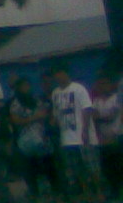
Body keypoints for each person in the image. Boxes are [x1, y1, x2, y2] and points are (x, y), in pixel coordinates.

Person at [51, 66, 102, 202]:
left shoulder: (79, 88)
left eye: (60, 73)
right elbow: (56, 114)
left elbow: (87, 109)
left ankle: (99, 192)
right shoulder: (55, 93)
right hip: (66, 138)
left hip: (83, 137)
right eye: (56, 74)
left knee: (92, 167)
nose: (59, 77)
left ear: (66, 73)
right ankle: (86, 192)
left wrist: (85, 131)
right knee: (77, 168)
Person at [8, 77, 56, 201]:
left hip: (43, 139)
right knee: (31, 169)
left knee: (48, 166)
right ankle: (35, 193)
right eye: (23, 86)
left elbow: (46, 111)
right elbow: (15, 120)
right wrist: (34, 117)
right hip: (27, 143)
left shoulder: (36, 100)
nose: (26, 88)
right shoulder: (16, 103)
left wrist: (47, 116)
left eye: (28, 85)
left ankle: (53, 191)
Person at [92, 74, 122, 199]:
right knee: (107, 168)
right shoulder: (96, 101)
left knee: (118, 165)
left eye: (105, 83)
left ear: (111, 85)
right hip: (103, 140)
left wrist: (100, 117)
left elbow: (112, 116)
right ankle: (114, 191)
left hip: (117, 137)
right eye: (100, 84)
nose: (102, 87)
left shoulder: (117, 98)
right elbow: (94, 117)